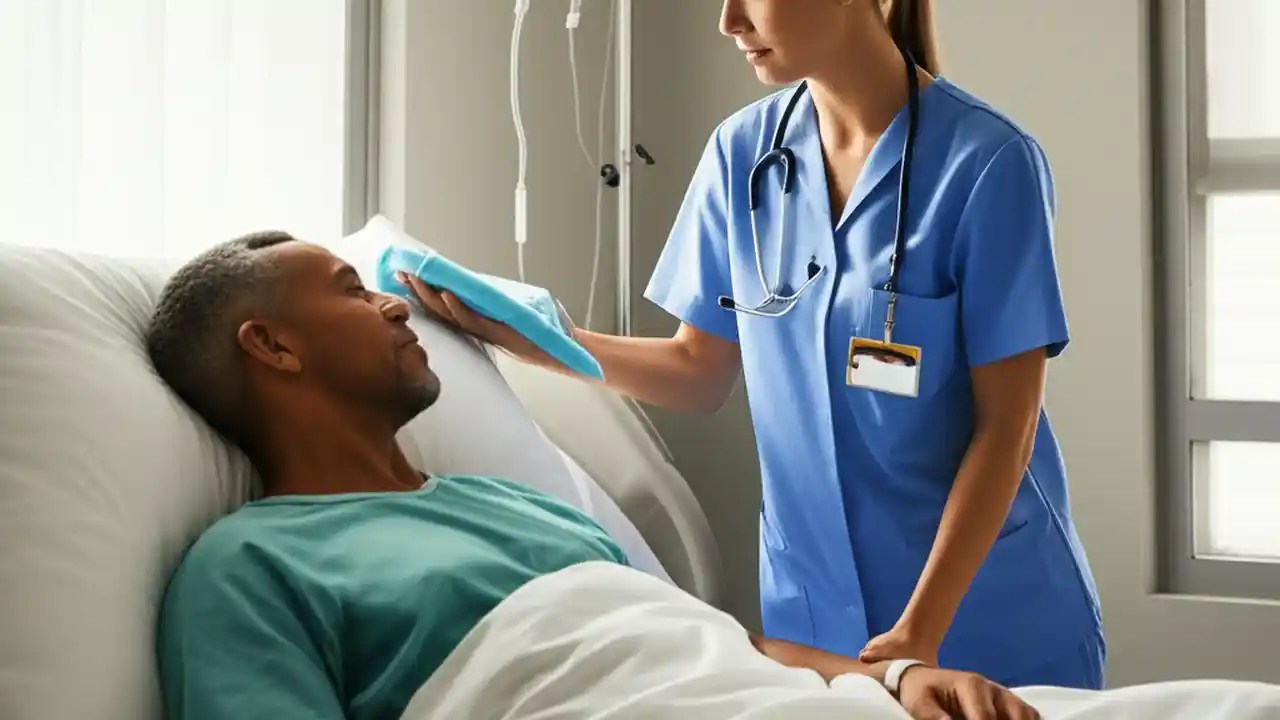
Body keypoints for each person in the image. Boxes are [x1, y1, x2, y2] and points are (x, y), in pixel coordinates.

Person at [402, 0, 1105, 691]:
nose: (728, 21)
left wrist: (921, 629)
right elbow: (698, 371)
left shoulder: (987, 164)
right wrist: (538, 342)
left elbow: (1006, 428)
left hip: (984, 621)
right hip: (813, 618)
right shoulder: (743, 153)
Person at [146, 233, 1039, 720]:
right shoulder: (250, 568)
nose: (390, 305)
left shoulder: (517, 504)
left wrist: (896, 679)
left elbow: (713, 640)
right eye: (351, 290)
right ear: (272, 346)